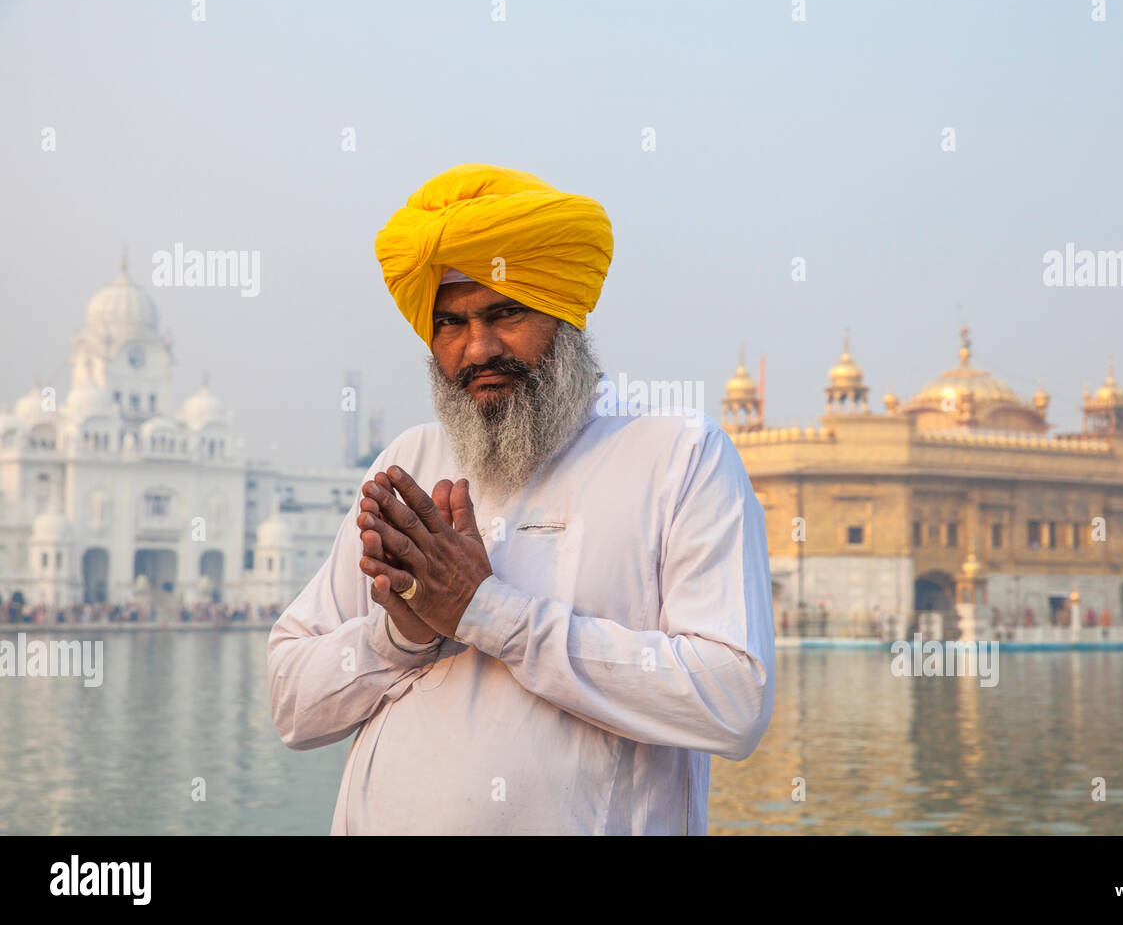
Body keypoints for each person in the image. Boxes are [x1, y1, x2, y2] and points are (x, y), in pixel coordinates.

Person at [267, 163, 775, 835]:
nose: (477, 348)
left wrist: (486, 612)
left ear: (564, 312)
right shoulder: (410, 463)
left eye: (504, 313)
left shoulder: (677, 456)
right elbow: (294, 709)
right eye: (449, 323)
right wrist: (404, 635)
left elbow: (730, 700)